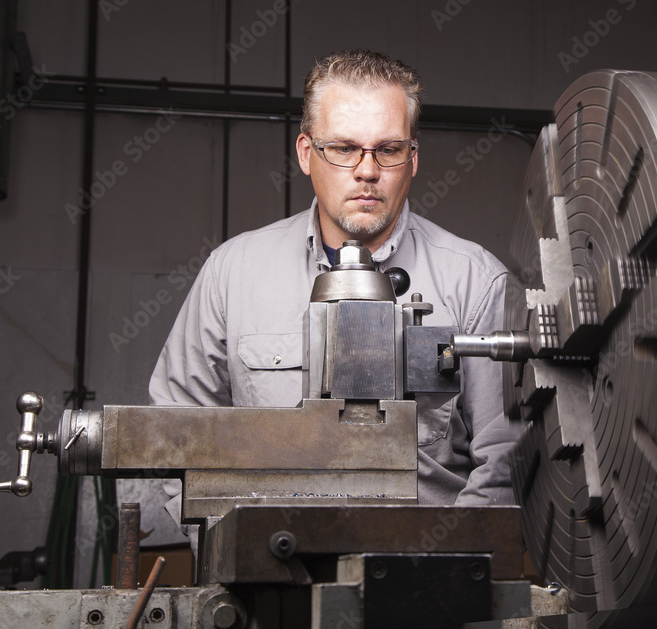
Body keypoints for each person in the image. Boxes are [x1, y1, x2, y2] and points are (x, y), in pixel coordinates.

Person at [149, 50, 520, 532]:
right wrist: (229, 552)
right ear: (306, 153)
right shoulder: (232, 273)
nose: (367, 171)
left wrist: (444, 563)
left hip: (424, 569)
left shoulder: (475, 282)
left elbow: (506, 459)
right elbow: (175, 430)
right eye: (343, 148)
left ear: (412, 159)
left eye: (388, 149)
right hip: (265, 566)